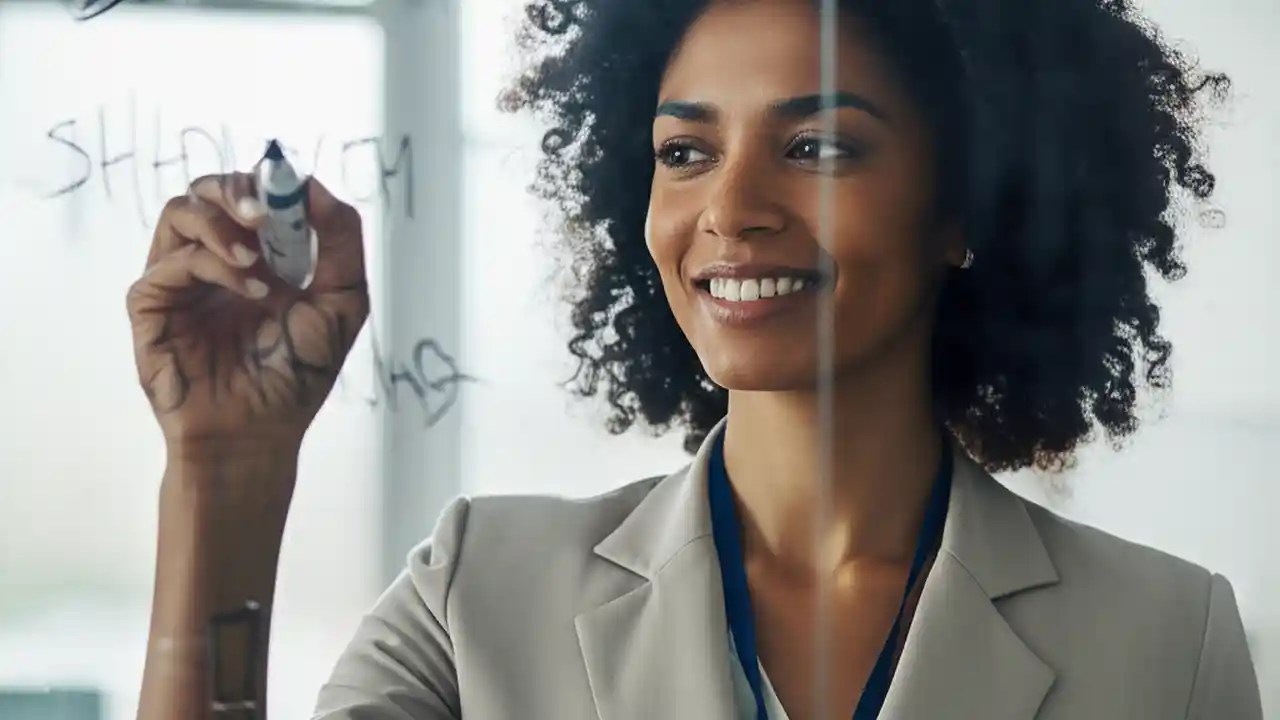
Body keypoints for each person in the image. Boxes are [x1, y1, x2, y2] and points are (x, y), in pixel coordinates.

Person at [131, 0, 1263, 718]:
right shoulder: (479, 590)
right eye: (684, 151)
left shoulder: (1164, 639)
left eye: (815, 146)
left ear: (959, 207)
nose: (729, 210)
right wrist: (224, 473)